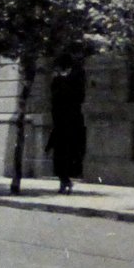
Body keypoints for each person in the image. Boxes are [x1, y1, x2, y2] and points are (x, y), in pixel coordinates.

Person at [46, 64, 87, 194]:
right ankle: (65, 184)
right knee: (60, 166)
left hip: (63, 144)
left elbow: (55, 131)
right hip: (64, 141)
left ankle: (66, 184)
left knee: (60, 165)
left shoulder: (62, 114)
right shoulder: (63, 114)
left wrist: (48, 147)